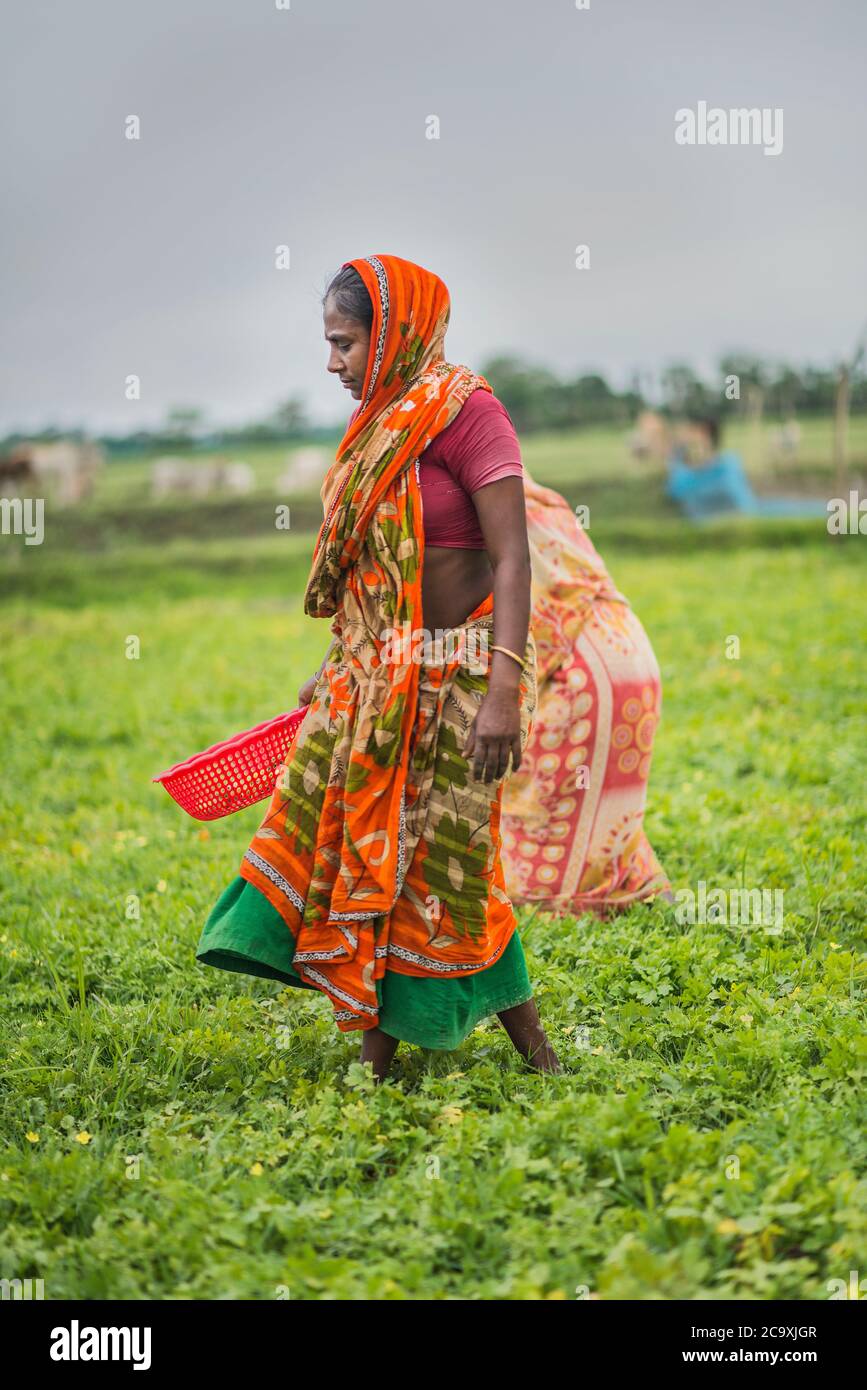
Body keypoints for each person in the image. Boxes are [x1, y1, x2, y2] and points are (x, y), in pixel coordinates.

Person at [196, 253, 560, 1080]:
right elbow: (372, 572)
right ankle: (502, 1057)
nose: (333, 363)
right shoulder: (376, 425)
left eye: (345, 343)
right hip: (377, 676)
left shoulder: (467, 414)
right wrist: (338, 664)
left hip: (467, 673)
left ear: (393, 333)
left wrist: (503, 692)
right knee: (381, 852)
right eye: (329, 344)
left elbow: (512, 560)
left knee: (446, 862)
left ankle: (391, 1068)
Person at [501, 475, 671, 914]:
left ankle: (572, 904)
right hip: (629, 651)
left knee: (528, 821)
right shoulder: (532, 493)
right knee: (603, 815)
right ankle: (633, 893)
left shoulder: (473, 499)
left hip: (579, 670)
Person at [666, 417, 827, 521]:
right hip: (742, 514)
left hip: (747, 513)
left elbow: (734, 498)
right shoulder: (689, 471)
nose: (686, 438)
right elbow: (677, 491)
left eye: (691, 432)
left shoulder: (726, 465)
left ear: (704, 434)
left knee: (805, 510)